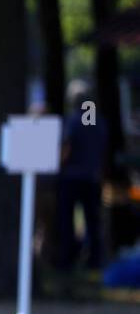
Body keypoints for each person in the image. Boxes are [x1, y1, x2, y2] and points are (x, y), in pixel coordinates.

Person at [56, 80, 108, 272]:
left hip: (71, 177)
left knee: (67, 221)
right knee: (93, 221)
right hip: (92, 178)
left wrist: (58, 166)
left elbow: (66, 148)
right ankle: (95, 259)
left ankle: (67, 259)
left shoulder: (73, 120)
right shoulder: (98, 121)